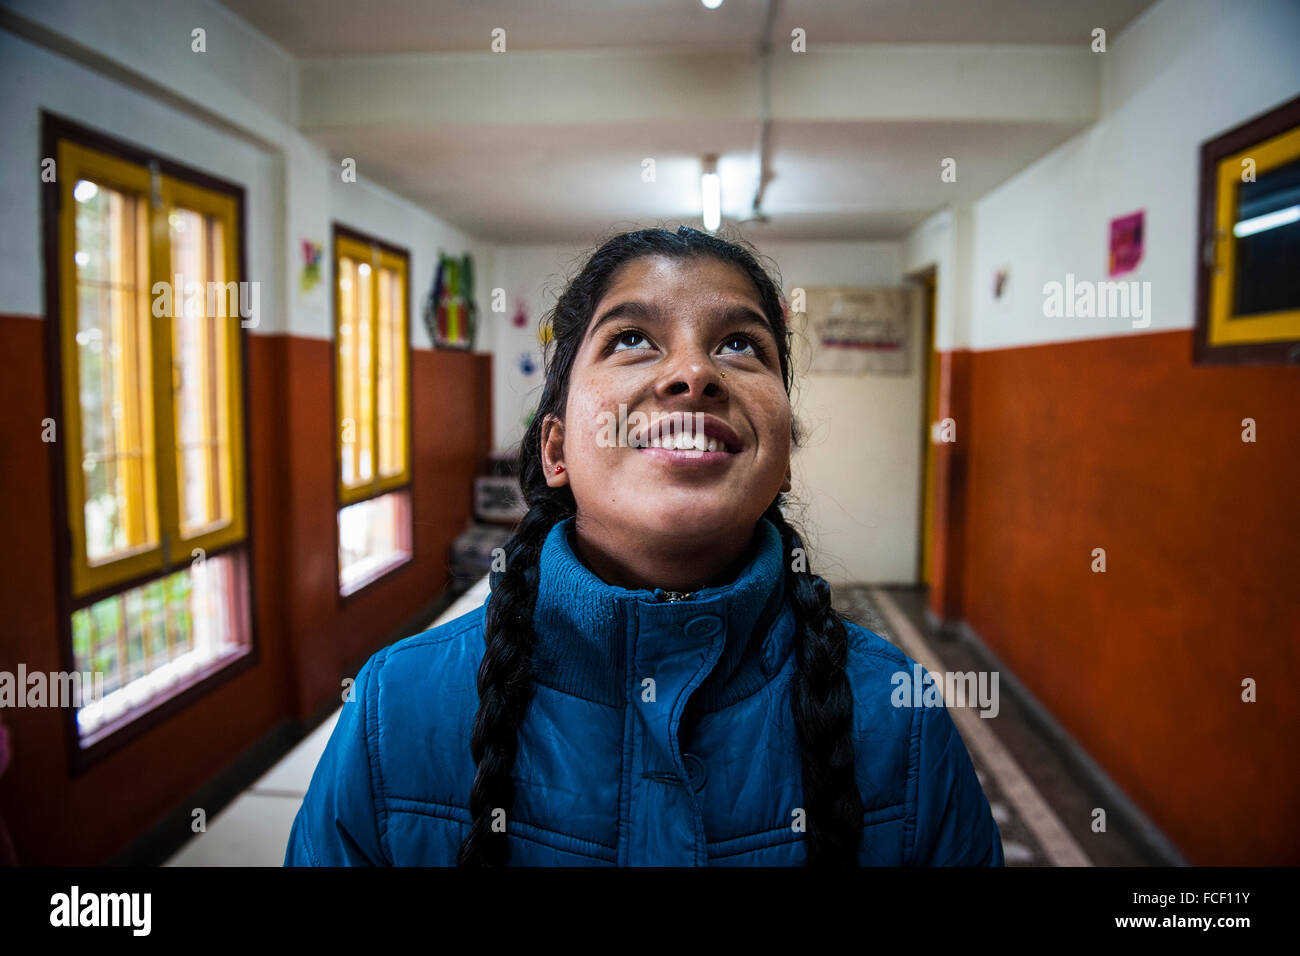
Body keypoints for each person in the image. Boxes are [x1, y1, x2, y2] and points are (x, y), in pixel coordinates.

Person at [284, 225, 1004, 867]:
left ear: (783, 457)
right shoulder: (395, 710)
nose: (694, 374)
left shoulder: (901, 720)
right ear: (557, 446)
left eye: (739, 345)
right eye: (631, 338)